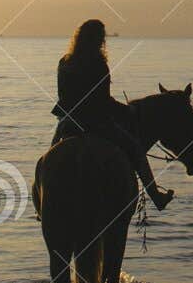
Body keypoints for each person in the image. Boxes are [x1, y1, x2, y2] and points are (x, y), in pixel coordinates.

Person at [51, 19, 174, 210]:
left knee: (49, 158)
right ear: (99, 40)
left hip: (67, 123)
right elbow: (103, 101)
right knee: (136, 149)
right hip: (95, 124)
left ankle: (41, 204)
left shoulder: (64, 62)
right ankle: (157, 197)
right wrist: (127, 110)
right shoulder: (99, 65)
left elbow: (63, 96)